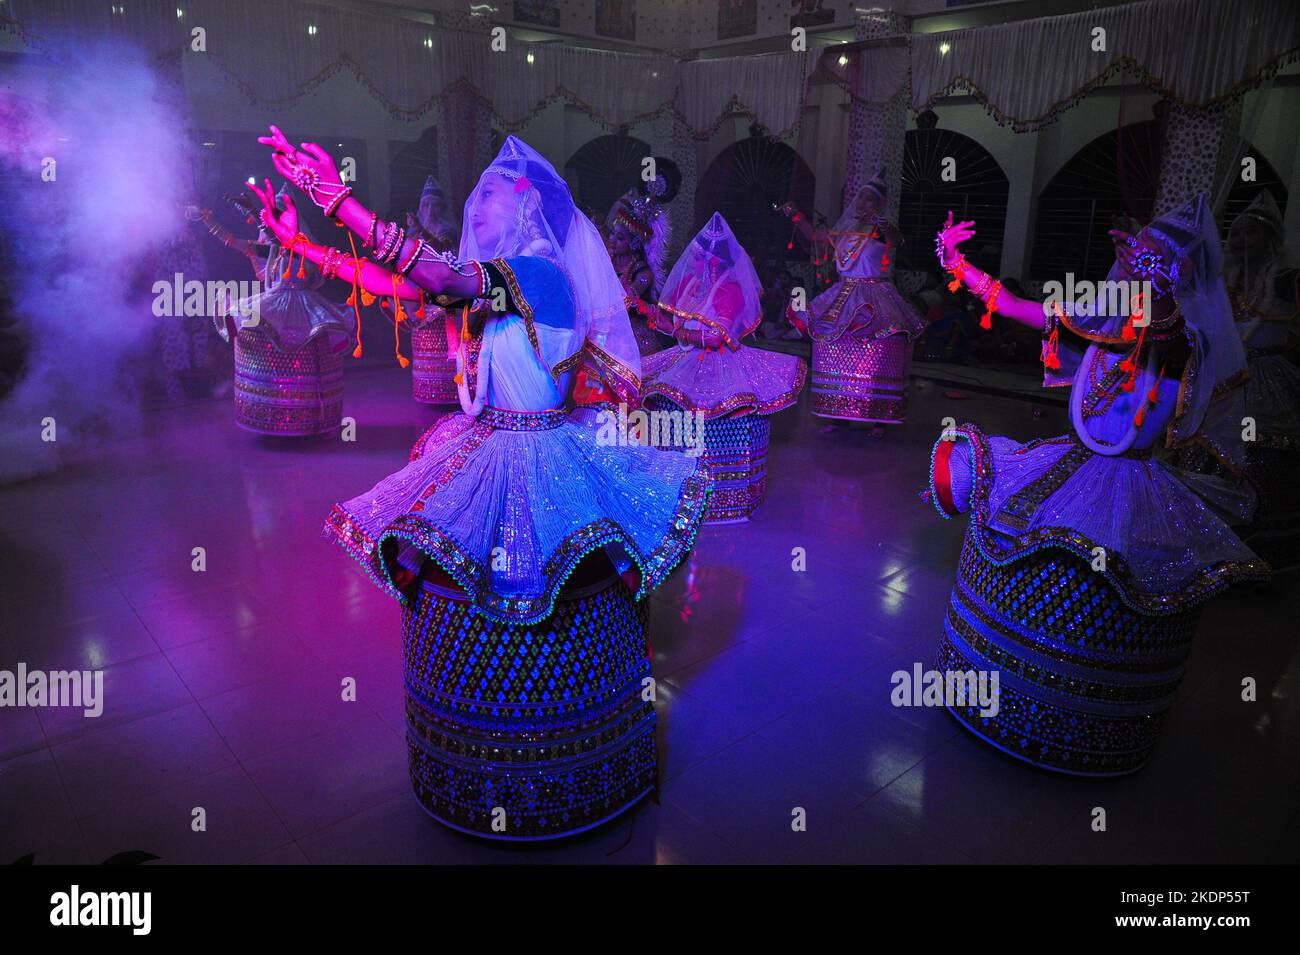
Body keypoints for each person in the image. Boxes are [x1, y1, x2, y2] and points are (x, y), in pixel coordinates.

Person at [251, 130, 711, 840]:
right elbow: (403, 285)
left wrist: (336, 199)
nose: (475, 203)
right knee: (466, 589)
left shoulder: (541, 276)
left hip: (542, 458)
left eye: (490, 191)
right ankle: (479, 761)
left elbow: (438, 279)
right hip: (486, 443)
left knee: (536, 596)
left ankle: (555, 765)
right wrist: (304, 243)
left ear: (525, 200)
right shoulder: (496, 278)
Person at [924, 195, 1270, 775]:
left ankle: (1076, 720)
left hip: (1131, 485)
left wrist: (1161, 281)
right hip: (1069, 465)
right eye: (1134, 260)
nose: (1132, 270)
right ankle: (991, 689)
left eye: (1148, 263)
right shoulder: (1102, 324)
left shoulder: (1182, 344)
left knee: (1098, 579)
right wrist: (960, 267)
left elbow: (1176, 329)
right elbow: (1017, 306)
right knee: (971, 481)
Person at [642, 213, 807, 523]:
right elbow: (670, 322)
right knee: (676, 417)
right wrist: (646, 311)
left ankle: (722, 497)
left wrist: (682, 333)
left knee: (721, 419)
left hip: (720, 362)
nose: (691, 261)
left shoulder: (729, 287)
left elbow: (718, 334)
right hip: (688, 359)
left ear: (714, 260)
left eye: (698, 256)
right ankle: (680, 492)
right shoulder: (692, 284)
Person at [190, 186, 352, 436]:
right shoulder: (273, 247)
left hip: (303, 304)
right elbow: (234, 241)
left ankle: (308, 420)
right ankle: (272, 416)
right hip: (278, 301)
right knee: (244, 319)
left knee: (304, 362)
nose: (273, 222)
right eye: (272, 216)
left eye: (277, 216)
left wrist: (253, 211)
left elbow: (282, 241)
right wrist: (209, 221)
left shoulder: (301, 245)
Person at [782, 175, 926, 434]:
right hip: (844, 292)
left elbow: (897, 240)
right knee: (836, 349)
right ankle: (839, 413)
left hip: (875, 294)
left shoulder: (881, 227)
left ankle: (880, 417)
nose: (862, 202)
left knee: (879, 352)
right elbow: (815, 236)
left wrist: (880, 223)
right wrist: (795, 216)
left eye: (869, 199)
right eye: (860, 197)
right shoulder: (846, 226)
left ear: (879, 204)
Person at [1223, 191, 1299, 569]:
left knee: (1258, 452)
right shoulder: (1230, 282)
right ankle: (1217, 541)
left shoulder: (1284, 278)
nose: (1239, 241)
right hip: (1229, 376)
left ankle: (1259, 549)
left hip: (1266, 378)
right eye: (1235, 234)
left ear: (1270, 239)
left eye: (1249, 233)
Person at [607, 159, 678, 354]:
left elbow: (624, 301)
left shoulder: (643, 273)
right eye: (613, 234)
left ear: (634, 243)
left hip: (634, 334)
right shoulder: (609, 261)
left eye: (620, 238)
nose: (612, 240)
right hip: (609, 327)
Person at [405, 176, 460, 404]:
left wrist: (421, 232)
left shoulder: (448, 230)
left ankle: (454, 391)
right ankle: (428, 391)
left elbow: (442, 249)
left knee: (449, 341)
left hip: (446, 293)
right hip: (420, 296)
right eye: (426, 205)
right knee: (424, 341)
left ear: (443, 208)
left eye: (435, 205)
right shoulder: (414, 234)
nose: (431, 210)